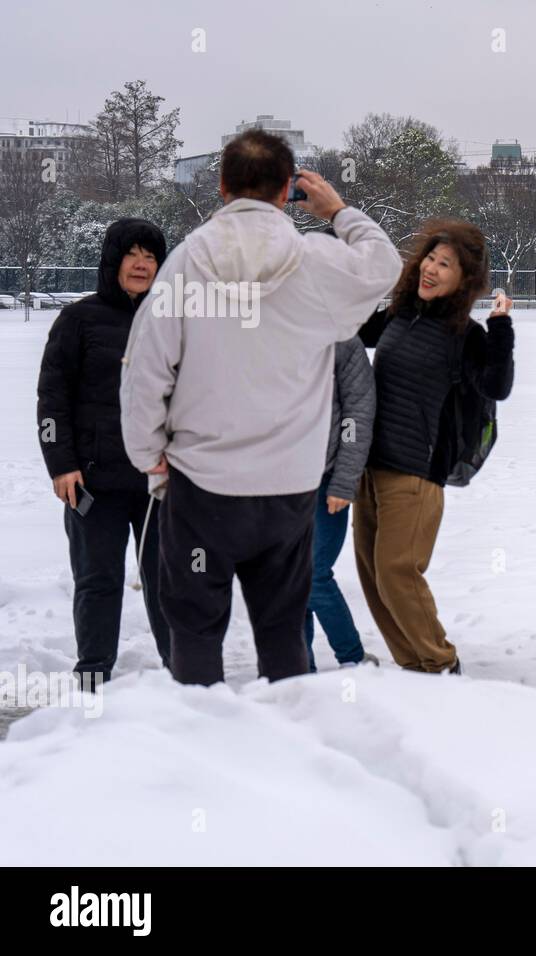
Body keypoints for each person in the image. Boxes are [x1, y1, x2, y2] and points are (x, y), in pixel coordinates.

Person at [119, 129, 402, 686]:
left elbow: (145, 369)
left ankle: (199, 725)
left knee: (195, 630)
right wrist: (338, 211)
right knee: (282, 629)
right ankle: (290, 730)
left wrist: (147, 454)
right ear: (286, 191)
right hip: (289, 485)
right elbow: (383, 265)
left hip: (201, 484)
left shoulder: (185, 262)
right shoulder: (315, 262)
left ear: (222, 186)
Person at [353, 219, 515, 675]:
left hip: (416, 474)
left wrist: (501, 327)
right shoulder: (400, 315)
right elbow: (350, 330)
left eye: (446, 265)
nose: (431, 268)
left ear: (464, 280)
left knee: (397, 571)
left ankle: (441, 662)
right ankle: (414, 668)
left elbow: (497, 385)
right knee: (373, 577)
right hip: (371, 467)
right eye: (430, 258)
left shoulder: (465, 335)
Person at [36, 219, 171, 684]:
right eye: (132, 254)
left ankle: (184, 675)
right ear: (113, 261)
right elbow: (52, 399)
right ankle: (93, 676)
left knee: (169, 581)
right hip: (95, 482)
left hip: (160, 483)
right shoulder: (78, 320)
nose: (141, 264)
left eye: (150, 256)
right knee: (98, 581)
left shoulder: (172, 320)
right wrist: (61, 465)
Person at [304, 334, 379, 671]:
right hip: (275, 483)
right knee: (288, 576)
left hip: (326, 480)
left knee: (313, 574)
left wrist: (344, 480)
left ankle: (351, 656)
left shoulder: (341, 338)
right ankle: (297, 664)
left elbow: (356, 415)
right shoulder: (266, 330)